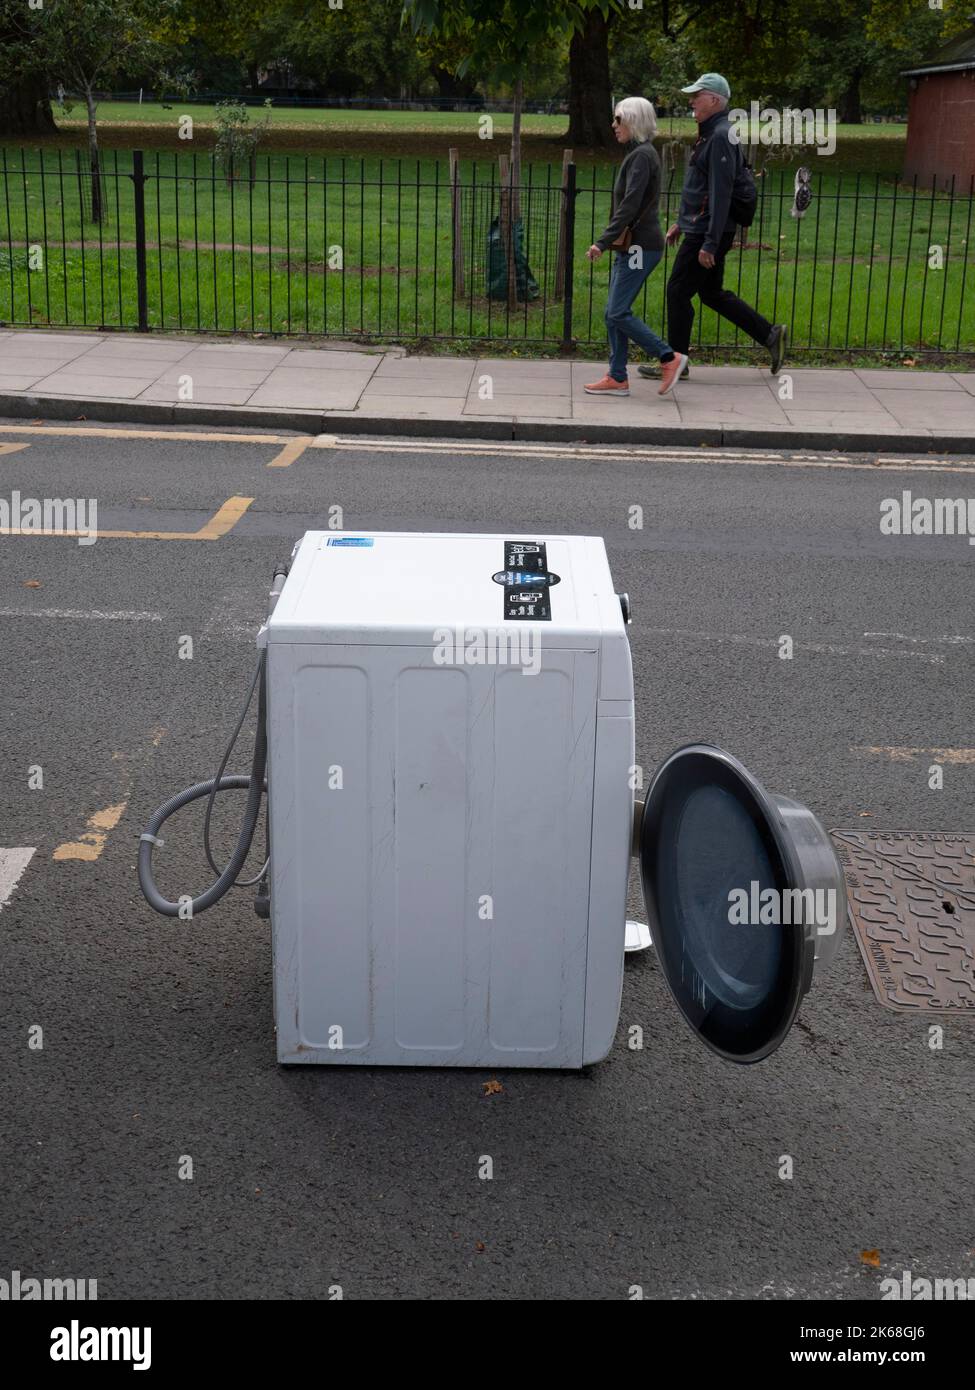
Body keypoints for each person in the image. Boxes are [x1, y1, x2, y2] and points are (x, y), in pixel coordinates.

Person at [638, 73, 786, 386]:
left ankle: (675, 362)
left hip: (708, 232)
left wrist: (709, 242)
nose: (691, 100)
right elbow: (701, 188)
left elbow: (720, 194)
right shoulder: (712, 133)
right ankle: (770, 334)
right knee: (711, 293)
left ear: (715, 100)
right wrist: (682, 220)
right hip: (702, 227)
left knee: (677, 291)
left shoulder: (720, 135)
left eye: (697, 95)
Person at [584, 97, 687, 398]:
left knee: (617, 312)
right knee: (612, 312)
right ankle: (617, 377)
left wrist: (602, 242)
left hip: (640, 247)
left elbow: (629, 205)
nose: (613, 125)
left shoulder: (642, 156)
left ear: (633, 121)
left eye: (618, 119)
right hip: (633, 246)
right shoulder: (639, 153)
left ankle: (669, 357)